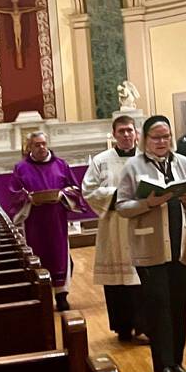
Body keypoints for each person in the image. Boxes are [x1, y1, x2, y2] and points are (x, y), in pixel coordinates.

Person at [116, 115, 186, 372]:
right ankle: (164, 367)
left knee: (178, 306)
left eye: (166, 136)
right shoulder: (133, 167)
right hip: (150, 249)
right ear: (145, 140)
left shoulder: (184, 164)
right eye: (156, 137)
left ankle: (177, 361)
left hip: (181, 248)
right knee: (158, 308)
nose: (161, 142)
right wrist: (148, 203)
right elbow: (122, 206)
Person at [81, 115, 144, 342]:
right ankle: (122, 327)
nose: (126, 135)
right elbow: (88, 191)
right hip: (113, 225)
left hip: (141, 223)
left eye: (129, 130)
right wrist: (117, 195)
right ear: (114, 134)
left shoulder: (146, 158)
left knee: (140, 278)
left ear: (136, 133)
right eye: (121, 131)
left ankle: (143, 326)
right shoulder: (100, 160)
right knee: (117, 280)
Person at [6, 131, 84, 313]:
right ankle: (41, 293)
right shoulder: (21, 168)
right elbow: (13, 192)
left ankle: (61, 295)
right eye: (36, 145)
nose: (41, 148)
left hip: (56, 218)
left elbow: (74, 189)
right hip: (34, 220)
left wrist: (61, 194)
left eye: (43, 144)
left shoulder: (61, 165)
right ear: (29, 147)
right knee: (37, 253)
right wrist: (29, 199)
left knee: (59, 254)